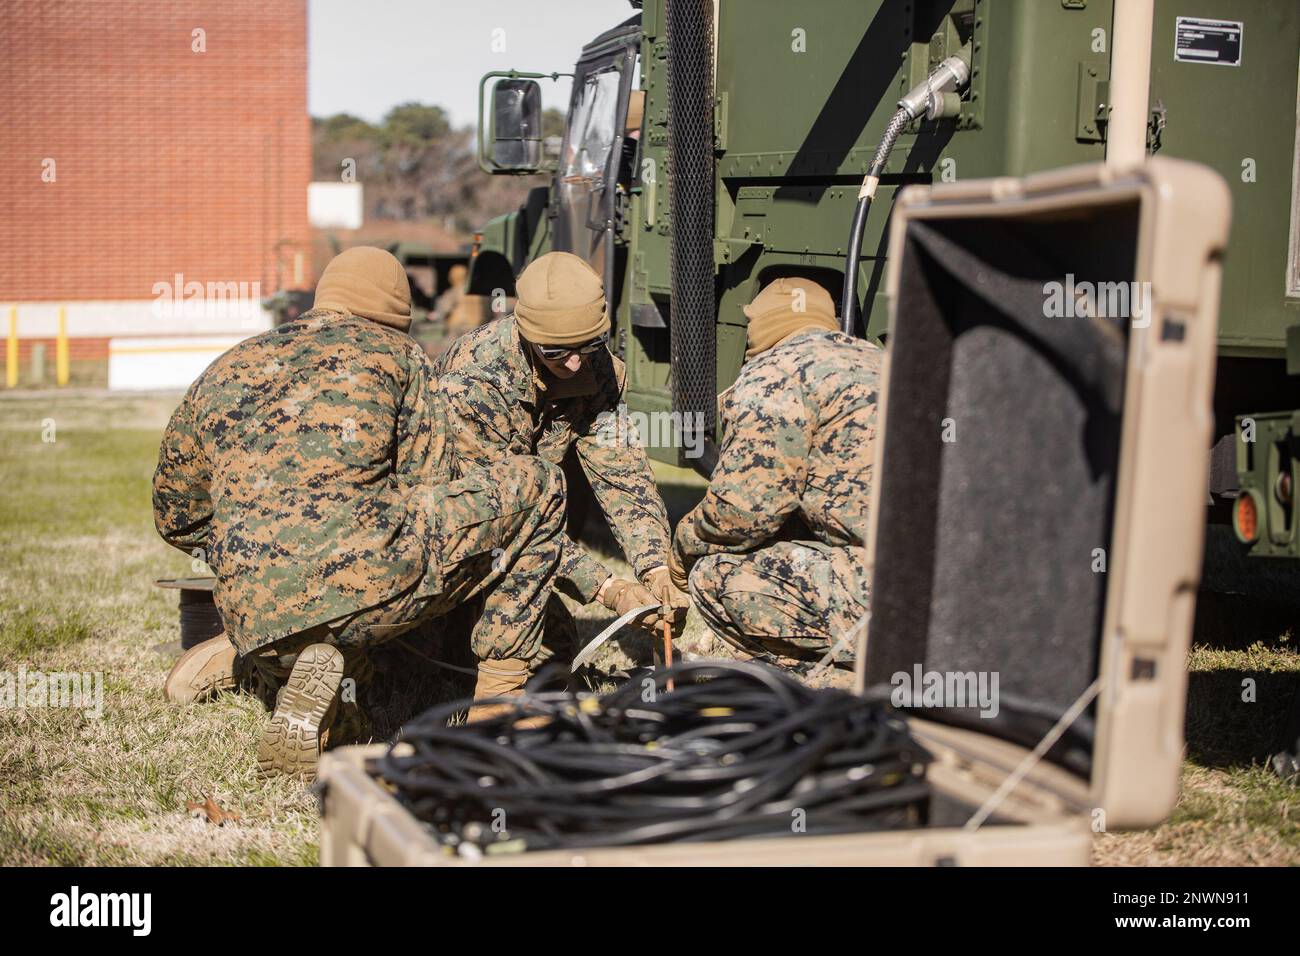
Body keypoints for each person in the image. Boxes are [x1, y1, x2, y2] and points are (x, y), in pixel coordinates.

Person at [154, 246, 565, 778]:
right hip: (373, 586)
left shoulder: (229, 363)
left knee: (331, 636)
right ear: (397, 310)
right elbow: (431, 484)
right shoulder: (399, 356)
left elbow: (175, 513)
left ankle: (312, 694)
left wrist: (249, 551)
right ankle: (499, 701)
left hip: (250, 611)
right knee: (538, 484)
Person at [436, 251, 688, 666]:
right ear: (527, 335)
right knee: (505, 655)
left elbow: (623, 479)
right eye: (556, 352)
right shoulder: (474, 385)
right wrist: (605, 587)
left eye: (589, 345)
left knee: (556, 655)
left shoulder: (598, 368)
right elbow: (506, 518)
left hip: (518, 523)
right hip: (461, 529)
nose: (575, 362)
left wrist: (655, 567)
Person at [670, 277, 881, 665]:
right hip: (954, 589)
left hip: (878, 599)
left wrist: (682, 548)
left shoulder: (775, 375)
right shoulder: (880, 361)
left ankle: (820, 688)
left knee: (713, 575)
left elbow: (739, 514)